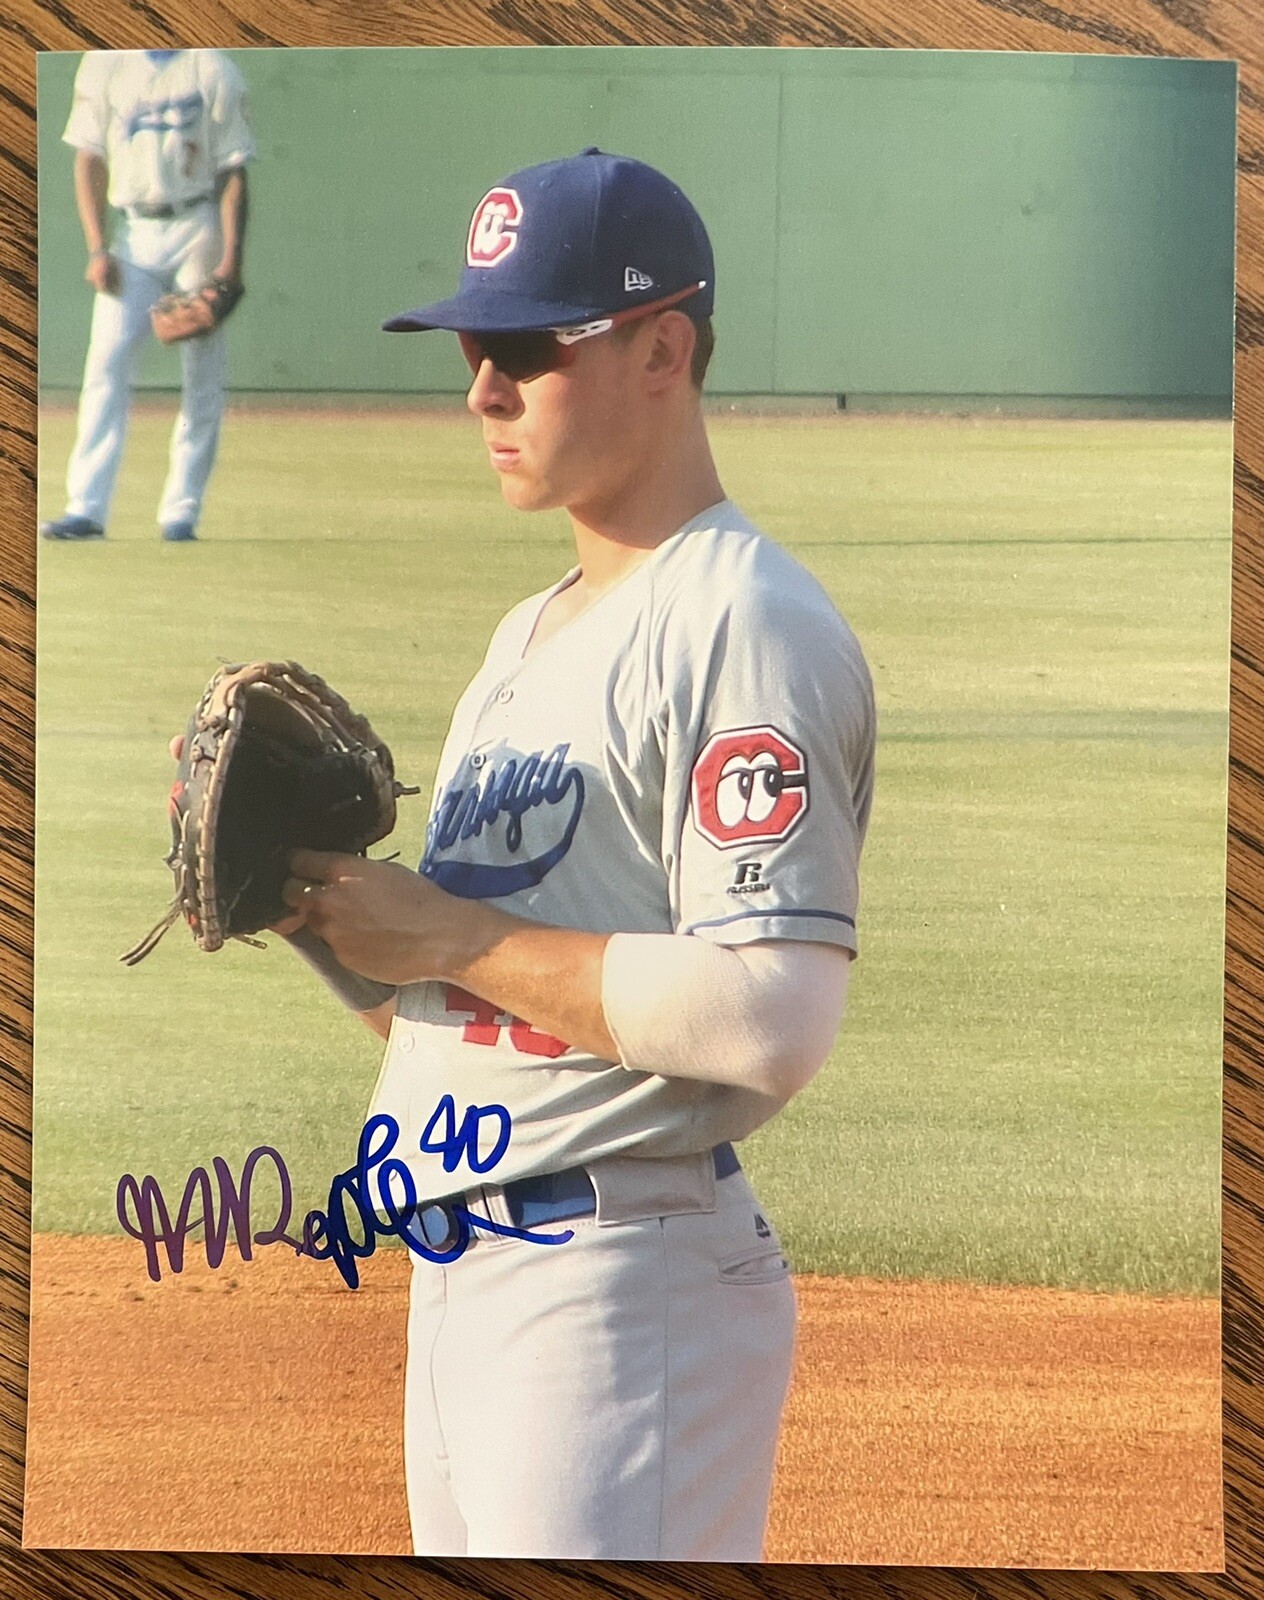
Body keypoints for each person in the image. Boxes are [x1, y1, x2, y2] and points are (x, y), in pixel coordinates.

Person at [277, 149, 875, 1560]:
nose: (481, 389)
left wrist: (450, 934)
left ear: (663, 347)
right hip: (466, 1259)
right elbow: (470, 1006)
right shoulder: (526, 635)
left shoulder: (745, 619)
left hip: (622, 1283)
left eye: (529, 348)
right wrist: (308, 913)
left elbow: (773, 1016)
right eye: (476, 348)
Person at [41, 49, 254, 544]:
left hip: (197, 223)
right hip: (133, 234)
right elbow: (88, 158)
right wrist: (97, 246)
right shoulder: (103, 62)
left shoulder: (211, 66)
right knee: (105, 365)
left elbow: (234, 171)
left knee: (202, 372)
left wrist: (231, 265)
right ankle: (85, 508)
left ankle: (181, 512)